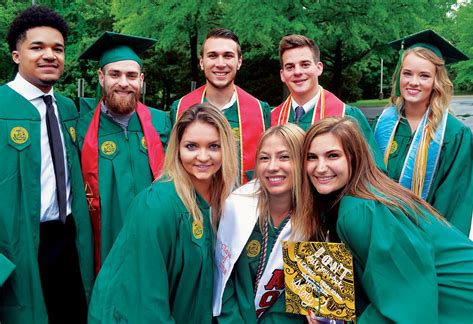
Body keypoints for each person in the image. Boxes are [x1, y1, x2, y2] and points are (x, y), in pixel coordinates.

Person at [297, 117, 473, 323]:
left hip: (459, 305)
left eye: (333, 156)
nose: (320, 168)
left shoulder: (361, 210)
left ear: (354, 158)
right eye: (311, 157)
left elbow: (408, 303)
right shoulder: (359, 197)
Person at [88, 103, 238, 323]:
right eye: (192, 146)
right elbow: (145, 300)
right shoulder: (157, 204)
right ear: (177, 148)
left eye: (214, 146)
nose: (203, 157)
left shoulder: (228, 203)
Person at [0, 6, 93, 323]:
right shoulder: (1, 106)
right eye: (37, 47)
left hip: (67, 239)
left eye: (58, 49)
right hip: (17, 241)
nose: (50, 55)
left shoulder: (67, 107)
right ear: (16, 55)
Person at [76, 32, 171, 272]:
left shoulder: (162, 124)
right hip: (105, 241)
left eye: (131, 75)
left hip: (156, 236)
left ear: (141, 79)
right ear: (101, 77)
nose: (123, 82)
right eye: (114, 74)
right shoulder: (81, 129)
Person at [373, 29, 472, 236]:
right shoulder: (383, 124)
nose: (413, 82)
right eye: (407, 73)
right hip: (380, 235)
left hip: (427, 241)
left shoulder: (454, 135)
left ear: (437, 81)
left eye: (424, 76)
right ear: (399, 75)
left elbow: (454, 201)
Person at [214, 124, 306, 323]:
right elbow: (222, 282)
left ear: (302, 161)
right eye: (264, 158)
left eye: (284, 157)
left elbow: (304, 303)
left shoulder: (318, 219)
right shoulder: (237, 206)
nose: (272, 166)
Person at [170, 28, 271, 184]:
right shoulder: (179, 109)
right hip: (192, 203)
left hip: (243, 203)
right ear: (202, 62)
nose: (220, 63)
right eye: (212, 56)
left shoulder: (260, 111)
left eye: (228, 56)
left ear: (239, 62)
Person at [273, 34, 384, 168]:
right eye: (290, 67)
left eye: (305, 64)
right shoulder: (272, 118)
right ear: (282, 75)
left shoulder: (348, 116)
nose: (297, 72)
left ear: (319, 68)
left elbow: (373, 171)